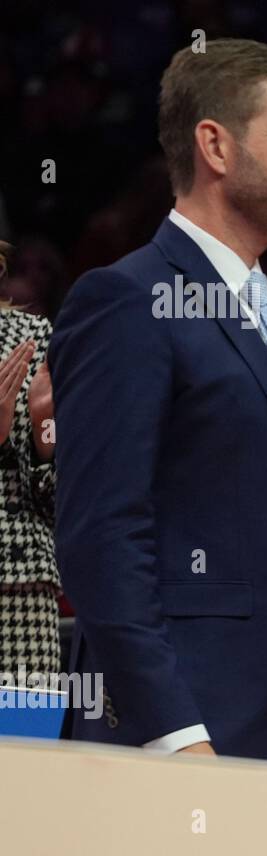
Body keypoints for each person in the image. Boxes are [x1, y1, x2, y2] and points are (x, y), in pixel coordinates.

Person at [49, 39, 267, 771]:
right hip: (197, 740)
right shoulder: (127, 300)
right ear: (214, 143)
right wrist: (177, 737)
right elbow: (102, 537)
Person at [0, 243, 59, 676]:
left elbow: (70, 500)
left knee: (28, 741)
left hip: (22, 595)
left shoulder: (36, 340)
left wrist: (45, 431)